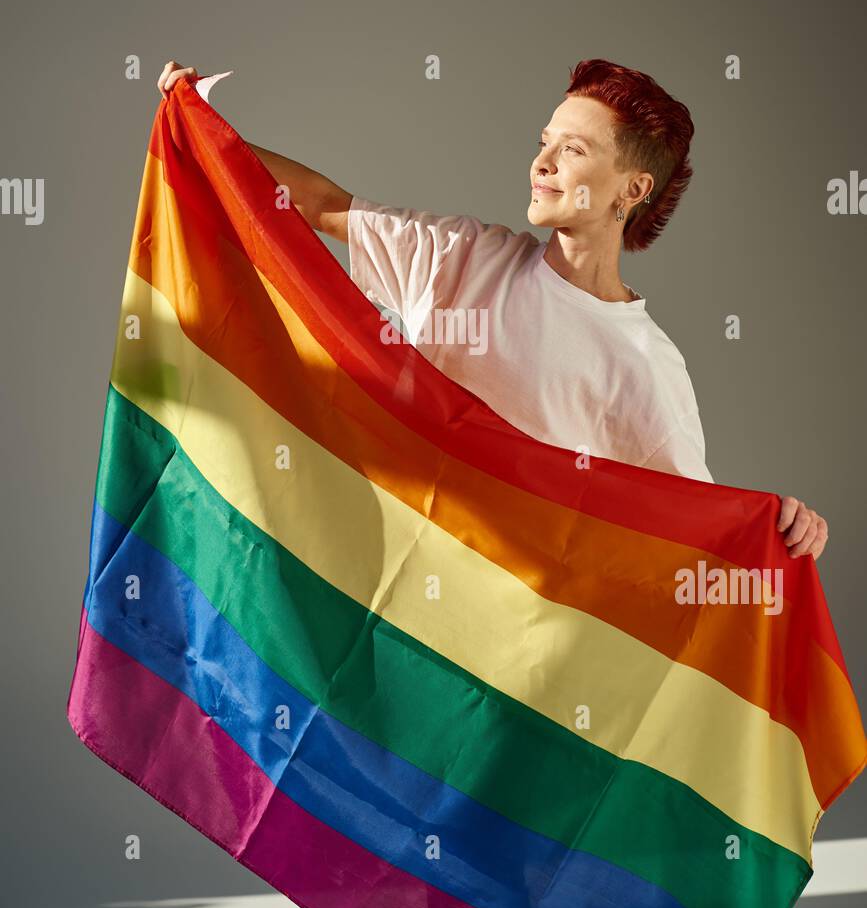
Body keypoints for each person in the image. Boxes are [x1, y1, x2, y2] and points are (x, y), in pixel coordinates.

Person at [157, 58, 828, 561]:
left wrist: (788, 531)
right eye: (544, 141)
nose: (542, 163)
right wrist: (199, 125)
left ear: (632, 188)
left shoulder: (644, 366)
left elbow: (698, 533)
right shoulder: (462, 257)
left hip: (500, 649)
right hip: (376, 575)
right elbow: (319, 205)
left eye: (573, 150)